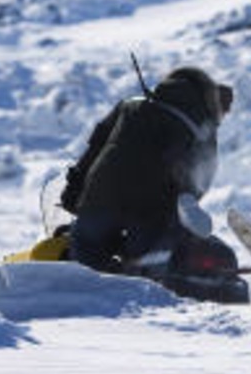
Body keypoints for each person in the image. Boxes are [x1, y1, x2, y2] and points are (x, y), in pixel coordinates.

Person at [59, 66, 233, 274]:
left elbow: (94, 150)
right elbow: (199, 183)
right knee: (143, 279)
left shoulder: (129, 106)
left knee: (83, 269)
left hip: (98, 200)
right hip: (151, 213)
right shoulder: (202, 127)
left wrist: (74, 190)